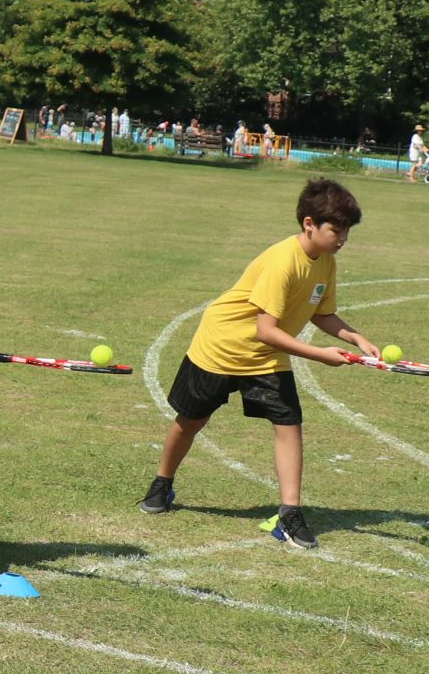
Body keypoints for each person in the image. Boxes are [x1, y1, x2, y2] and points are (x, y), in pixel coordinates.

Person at [138, 179, 380, 551]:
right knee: (191, 421)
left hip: (266, 358)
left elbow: (322, 313)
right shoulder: (283, 262)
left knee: (289, 424)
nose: (343, 238)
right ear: (309, 223)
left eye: (347, 230)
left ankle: (289, 514)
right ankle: (162, 483)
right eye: (336, 229)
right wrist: (321, 356)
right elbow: (266, 330)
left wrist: (356, 338)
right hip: (221, 346)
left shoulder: (326, 261)